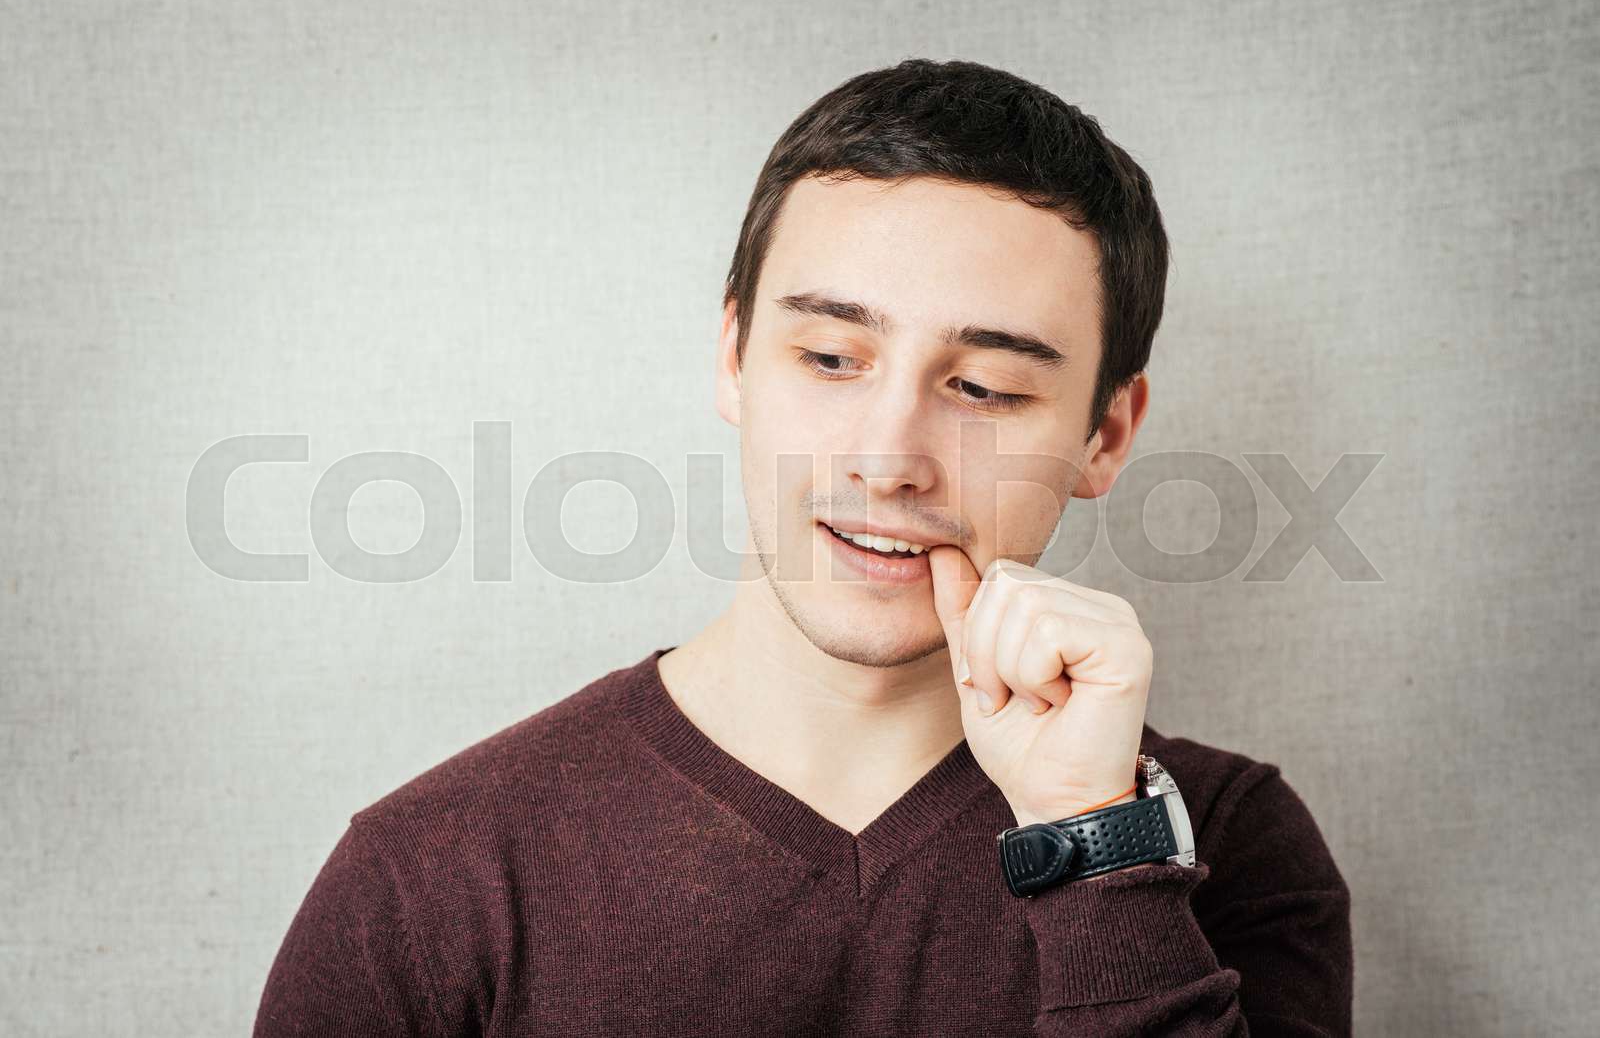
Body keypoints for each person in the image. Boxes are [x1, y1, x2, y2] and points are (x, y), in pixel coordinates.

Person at [254, 58, 1352, 1036]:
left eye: (983, 387)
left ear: (1104, 434)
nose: (888, 460)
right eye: (830, 359)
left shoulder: (1225, 848)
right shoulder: (426, 880)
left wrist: (1096, 842)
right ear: (734, 357)